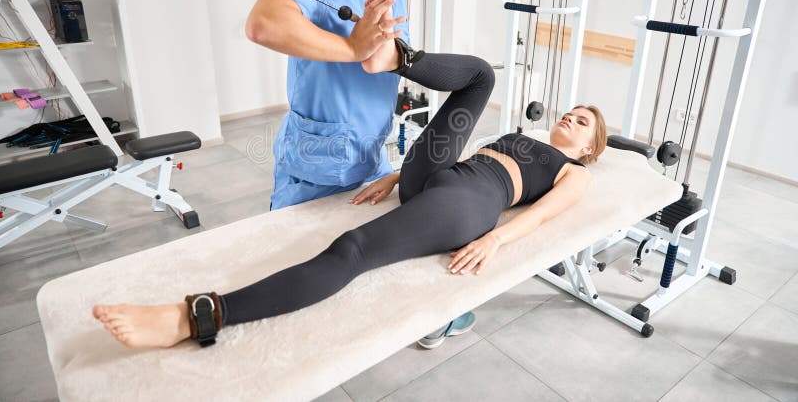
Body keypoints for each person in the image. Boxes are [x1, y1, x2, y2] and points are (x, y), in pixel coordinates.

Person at [91, 44, 607, 350]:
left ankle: (197, 316)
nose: (570, 118)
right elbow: (457, 147)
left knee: (352, 250)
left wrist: (495, 240)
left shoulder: (574, 172)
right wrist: (400, 176)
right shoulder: (526, 138)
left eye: (582, 123)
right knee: (480, 76)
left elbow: (541, 217)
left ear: (589, 147)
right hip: (442, 176)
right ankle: (397, 57)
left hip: (469, 203)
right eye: (572, 112)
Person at [244, 0, 474, 347]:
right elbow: (263, 23)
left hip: (372, 160)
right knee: (294, 289)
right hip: (315, 167)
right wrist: (351, 48)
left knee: (400, 258)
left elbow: (384, 59)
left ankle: (422, 317)